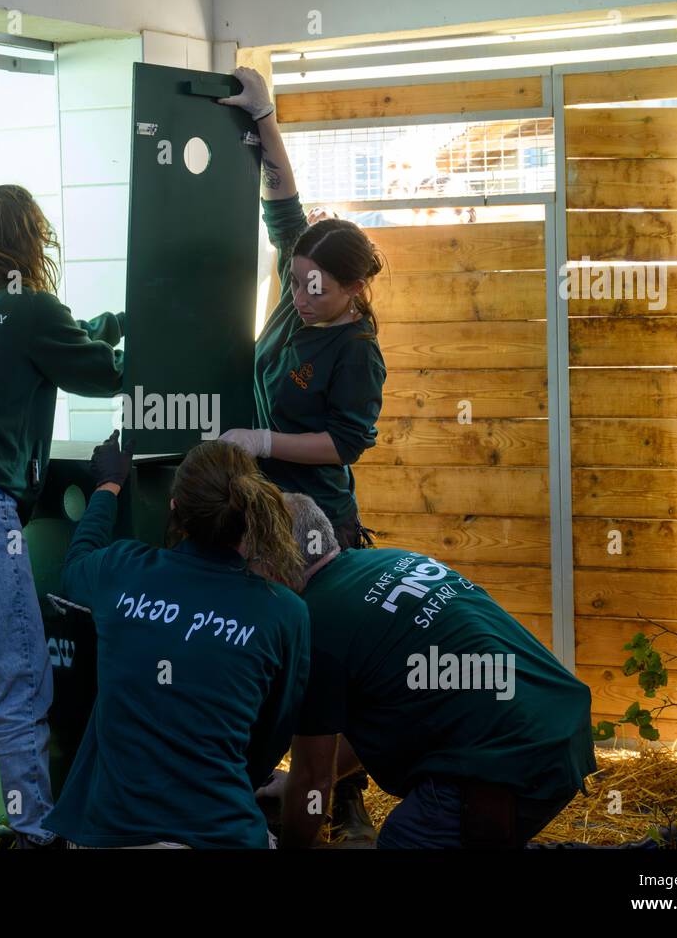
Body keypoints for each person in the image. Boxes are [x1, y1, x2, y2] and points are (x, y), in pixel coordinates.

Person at [0, 182, 126, 849]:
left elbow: (56, 344)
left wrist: (107, 325)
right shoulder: (34, 309)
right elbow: (99, 373)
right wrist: (161, 341)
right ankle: (38, 833)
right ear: (30, 239)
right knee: (20, 680)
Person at [217, 65, 388, 838]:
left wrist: (261, 440)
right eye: (295, 279)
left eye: (318, 286)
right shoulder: (301, 286)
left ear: (353, 289)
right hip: (267, 508)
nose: (301, 293)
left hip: (320, 521)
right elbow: (282, 201)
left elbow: (346, 443)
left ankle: (340, 790)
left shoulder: (356, 347)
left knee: (320, 674)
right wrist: (265, 118)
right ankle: (301, 790)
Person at [271, 494, 602, 849]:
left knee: (408, 838)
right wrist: (298, 782)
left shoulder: (314, 625)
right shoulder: (388, 560)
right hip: (560, 727)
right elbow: (346, 743)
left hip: (506, 764)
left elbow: (313, 779)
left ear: (277, 559)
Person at [42, 435, 310, 848]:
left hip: (114, 833)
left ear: (174, 508)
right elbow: (273, 732)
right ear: (252, 512)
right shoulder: (284, 612)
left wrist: (108, 486)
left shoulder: (122, 569)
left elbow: (74, 567)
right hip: (222, 831)